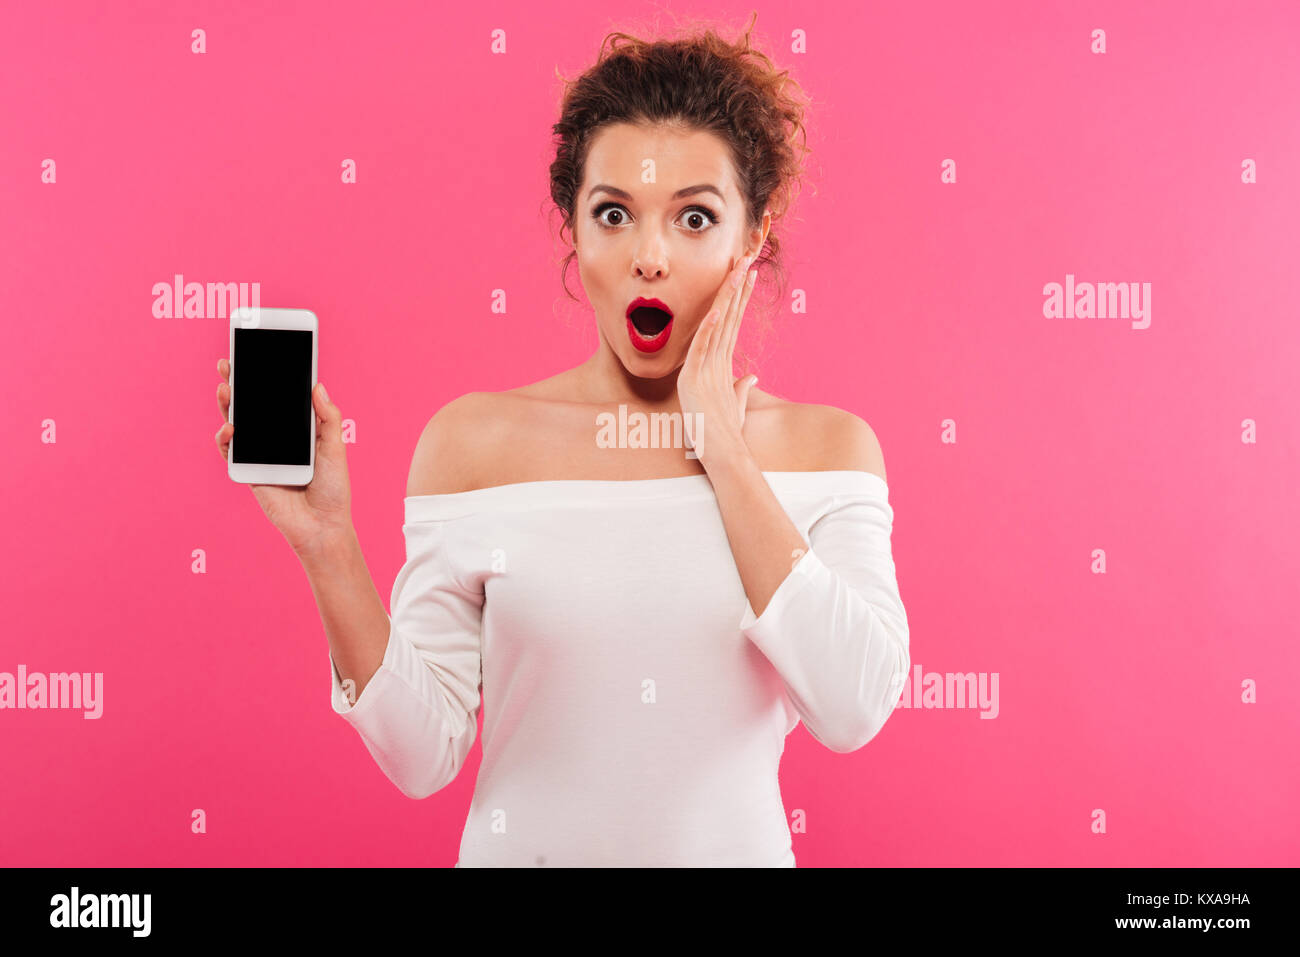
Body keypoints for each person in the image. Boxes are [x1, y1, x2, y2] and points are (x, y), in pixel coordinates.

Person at [213, 12, 910, 867]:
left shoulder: (826, 452)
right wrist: (328, 547)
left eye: (695, 219)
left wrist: (723, 448)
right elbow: (423, 753)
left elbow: (855, 706)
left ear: (751, 238)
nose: (648, 256)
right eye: (614, 213)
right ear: (573, 231)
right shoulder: (475, 442)